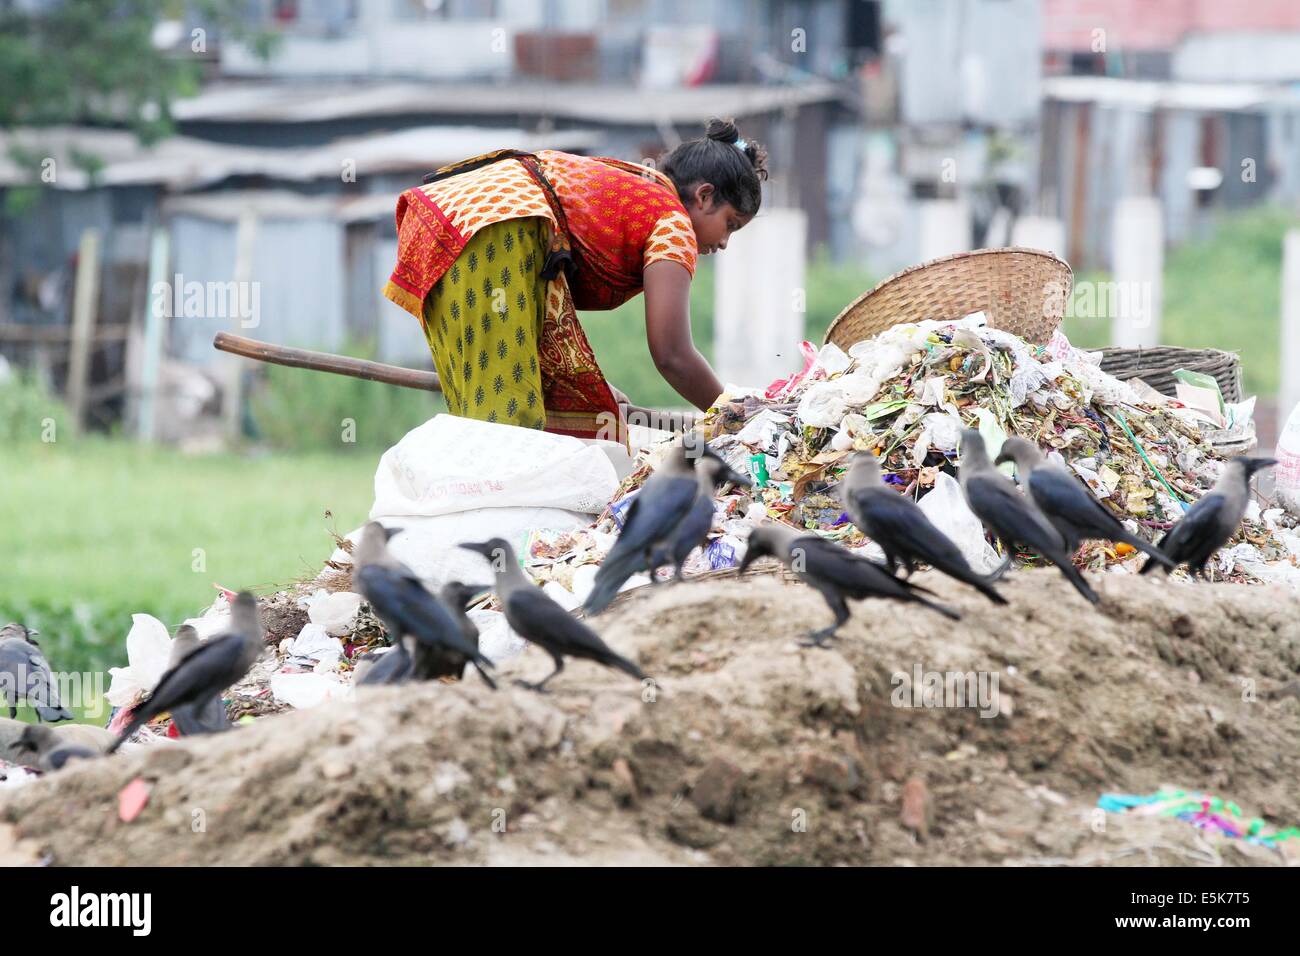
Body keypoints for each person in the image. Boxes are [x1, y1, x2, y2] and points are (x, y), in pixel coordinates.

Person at [383, 118, 767, 439]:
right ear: (703, 196)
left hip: (446, 221)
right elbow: (672, 355)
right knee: (506, 420)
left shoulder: (638, 189)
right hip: (495, 227)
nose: (724, 242)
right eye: (729, 224)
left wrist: (595, 392)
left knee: (496, 402)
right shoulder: (672, 222)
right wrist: (734, 415)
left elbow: (543, 319)